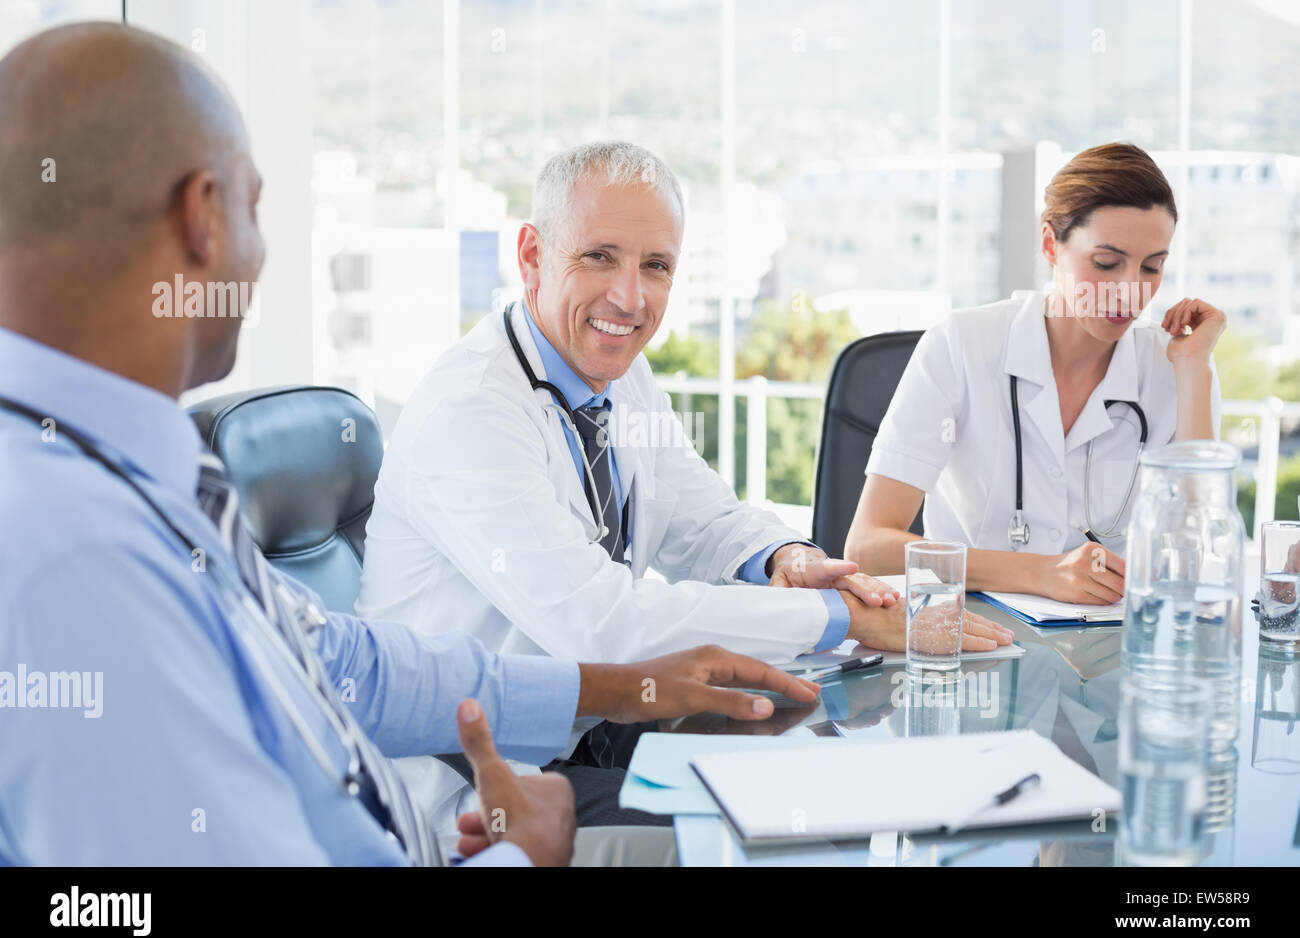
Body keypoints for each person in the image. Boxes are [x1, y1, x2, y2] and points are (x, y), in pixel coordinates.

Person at [0, 22, 823, 867]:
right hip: (460, 818)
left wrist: (621, 685)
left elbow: (341, 661)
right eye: (256, 205)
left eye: (655, 265)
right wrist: (527, 855)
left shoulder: (130, 469)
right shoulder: (72, 554)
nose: (262, 251)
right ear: (204, 218)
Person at [355, 140, 1015, 832]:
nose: (629, 297)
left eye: (655, 266)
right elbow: (604, 624)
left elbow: (702, 516)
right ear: (530, 256)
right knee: (766, 829)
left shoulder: (616, 375)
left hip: (592, 732)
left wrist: (786, 559)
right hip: (481, 780)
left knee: (813, 765)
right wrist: (842, 619)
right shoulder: (472, 409)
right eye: (598, 256)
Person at [845, 143, 1225, 606]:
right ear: (1051, 245)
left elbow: (1197, 558)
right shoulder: (962, 344)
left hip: (1113, 652)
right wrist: (1040, 573)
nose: (1131, 290)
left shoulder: (1178, 366)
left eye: (1152, 267)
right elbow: (868, 547)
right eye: (1106, 263)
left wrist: (1194, 371)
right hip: (969, 640)